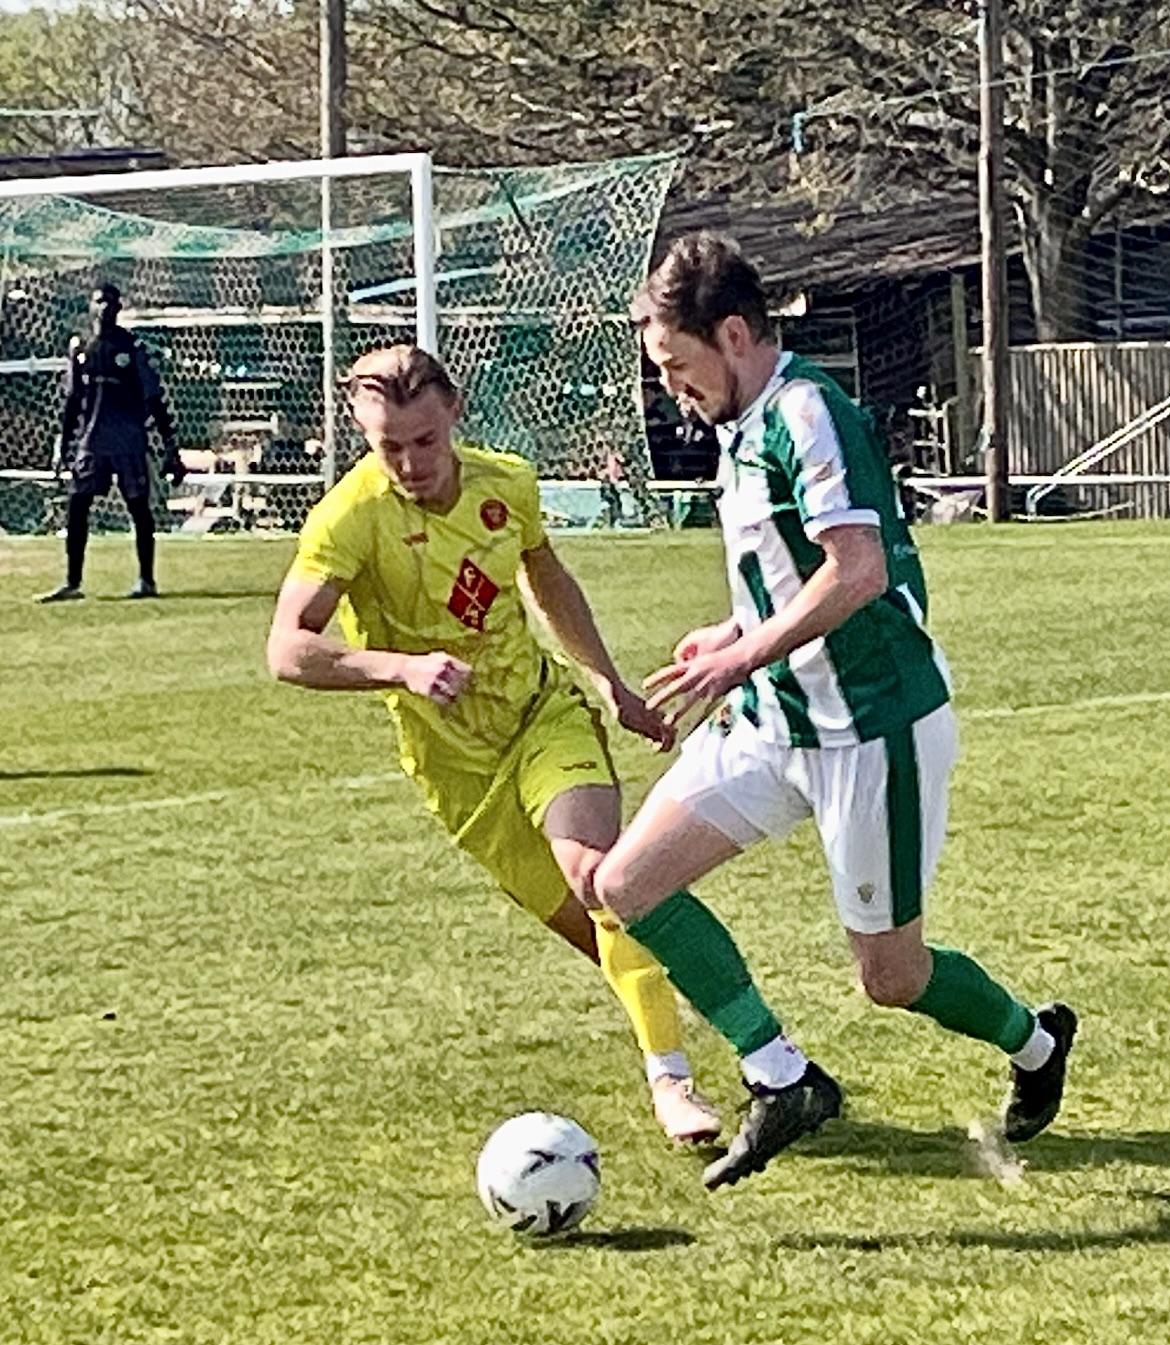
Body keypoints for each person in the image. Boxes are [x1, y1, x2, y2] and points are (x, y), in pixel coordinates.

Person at [589, 231, 1076, 1188]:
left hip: (875, 725)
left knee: (891, 978)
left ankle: (1034, 1041)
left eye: (680, 366)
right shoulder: (741, 422)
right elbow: (792, 573)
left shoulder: (808, 411)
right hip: (780, 719)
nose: (674, 390)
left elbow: (856, 571)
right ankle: (782, 1077)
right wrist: (733, 636)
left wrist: (745, 658)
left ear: (734, 334)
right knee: (627, 882)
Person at [265, 344, 721, 1144]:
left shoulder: (506, 484)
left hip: (541, 715)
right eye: (389, 446)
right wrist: (398, 667)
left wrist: (609, 683)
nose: (409, 461)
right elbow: (287, 648)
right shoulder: (349, 518)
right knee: (605, 933)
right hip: (457, 770)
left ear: (454, 415)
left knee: (601, 877)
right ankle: (762, 1044)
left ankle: (678, 1082)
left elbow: (547, 578)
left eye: (424, 440)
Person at [37, 282, 184, 603]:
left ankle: (147, 580)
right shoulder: (81, 350)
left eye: (110, 302)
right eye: (99, 301)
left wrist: (171, 447)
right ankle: (72, 583)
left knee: (139, 509)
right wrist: (62, 445)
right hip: (92, 443)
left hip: (129, 441)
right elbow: (73, 402)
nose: (104, 307)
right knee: (77, 506)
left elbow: (155, 399)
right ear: (90, 306)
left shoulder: (131, 347)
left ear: (119, 308)